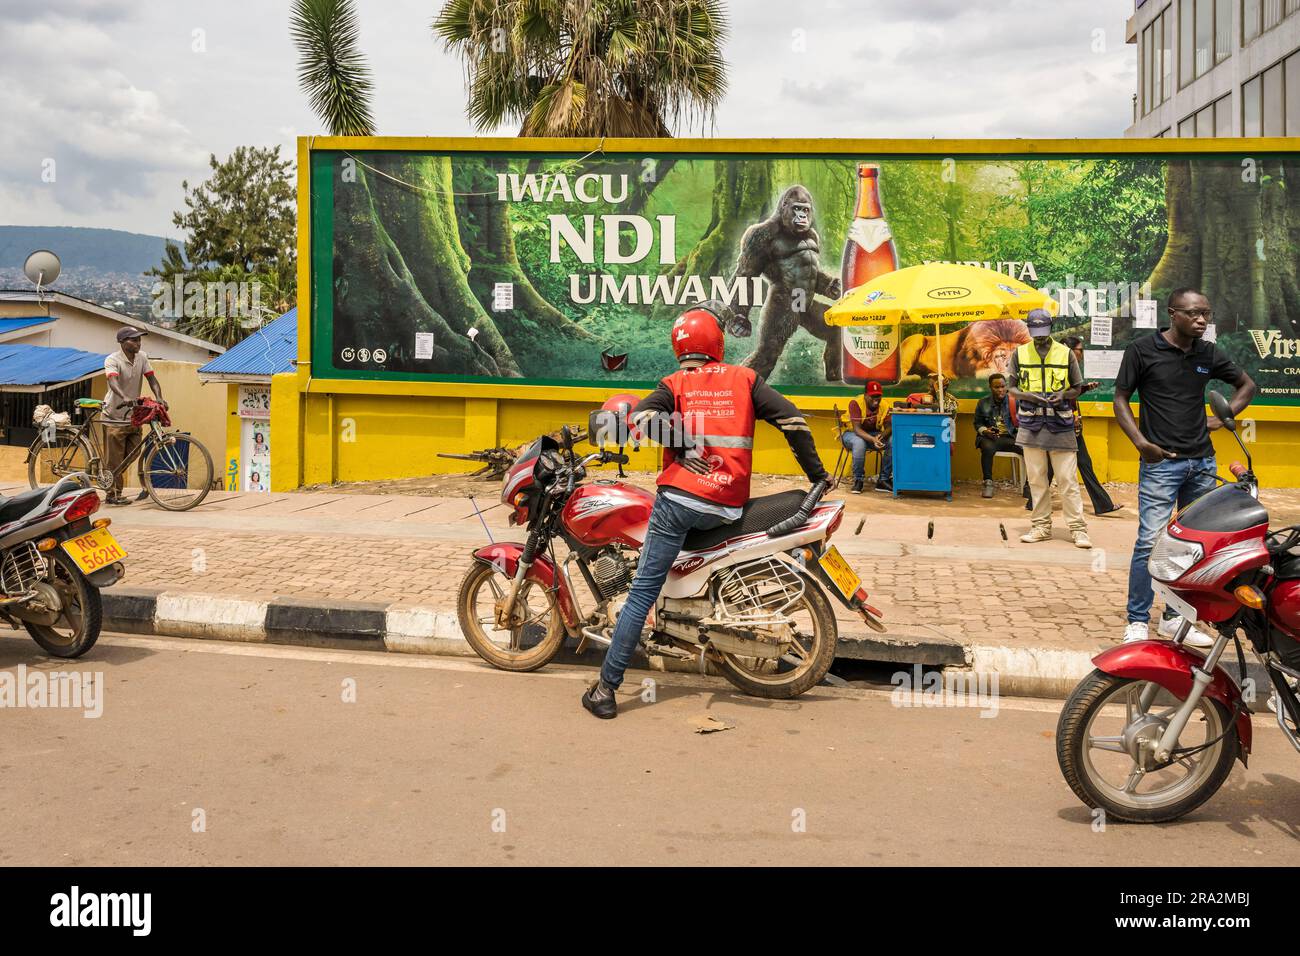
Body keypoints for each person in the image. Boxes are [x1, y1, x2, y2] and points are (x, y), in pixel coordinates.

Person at [582, 302, 830, 719]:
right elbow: (793, 422)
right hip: (726, 507)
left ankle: (606, 690)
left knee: (642, 590)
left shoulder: (674, 383)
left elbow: (641, 419)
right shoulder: (745, 379)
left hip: (679, 503)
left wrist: (681, 444)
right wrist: (817, 474)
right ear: (717, 342)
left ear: (678, 346)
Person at [1114, 288, 1255, 645]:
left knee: (1193, 544)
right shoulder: (1142, 350)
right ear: (1173, 314)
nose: (1202, 321)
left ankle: (1176, 619)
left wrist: (1221, 420)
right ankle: (1137, 619)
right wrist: (1142, 444)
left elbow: (1246, 385)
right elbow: (1120, 399)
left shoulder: (1207, 353)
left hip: (1203, 463)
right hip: (1162, 465)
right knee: (1150, 541)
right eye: (1194, 314)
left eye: (1206, 314)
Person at [1008, 309, 1090, 549]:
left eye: (1043, 333)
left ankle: (1078, 529)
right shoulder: (1020, 353)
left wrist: (1063, 394)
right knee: (1036, 479)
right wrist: (1028, 396)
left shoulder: (1065, 353)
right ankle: (1041, 526)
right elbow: (1011, 388)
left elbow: (1077, 387)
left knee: (1067, 480)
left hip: (1060, 424)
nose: (1040, 338)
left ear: (1051, 328)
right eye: (1036, 333)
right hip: (1031, 424)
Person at [103, 326, 167, 506]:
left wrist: (159, 398)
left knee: (134, 452)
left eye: (139, 339)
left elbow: (152, 379)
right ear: (123, 342)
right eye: (134, 340)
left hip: (133, 415)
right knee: (114, 458)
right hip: (114, 415)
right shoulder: (112, 360)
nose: (138, 343)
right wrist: (124, 397)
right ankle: (113, 493)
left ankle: (109, 476)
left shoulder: (142, 357)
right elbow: (112, 380)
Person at [1060, 336, 1120, 516]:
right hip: (1065, 424)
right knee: (1081, 463)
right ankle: (1103, 504)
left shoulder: (1069, 368)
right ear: (1070, 350)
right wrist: (1071, 417)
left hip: (1069, 424)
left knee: (1080, 463)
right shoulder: (1063, 369)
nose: (1082, 355)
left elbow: (1069, 394)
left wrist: (1084, 389)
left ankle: (1032, 499)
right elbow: (1059, 396)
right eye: (1080, 350)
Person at [973, 373, 1021, 499]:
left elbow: (1024, 422)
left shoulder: (1014, 402)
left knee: (1027, 449)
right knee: (987, 448)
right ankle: (988, 482)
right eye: (996, 387)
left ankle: (1028, 485)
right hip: (991, 438)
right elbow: (977, 423)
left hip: (1010, 437)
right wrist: (985, 431)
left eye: (1003, 386)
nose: (1000, 390)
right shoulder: (983, 403)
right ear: (990, 387)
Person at [842, 380, 886, 493]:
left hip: (873, 434)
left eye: (878, 396)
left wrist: (881, 436)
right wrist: (873, 439)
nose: (876, 399)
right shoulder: (855, 403)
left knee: (893, 440)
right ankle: (858, 479)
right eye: (872, 396)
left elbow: (889, 426)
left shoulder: (884, 405)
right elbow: (857, 430)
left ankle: (883, 480)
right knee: (859, 442)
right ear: (866, 395)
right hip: (851, 433)